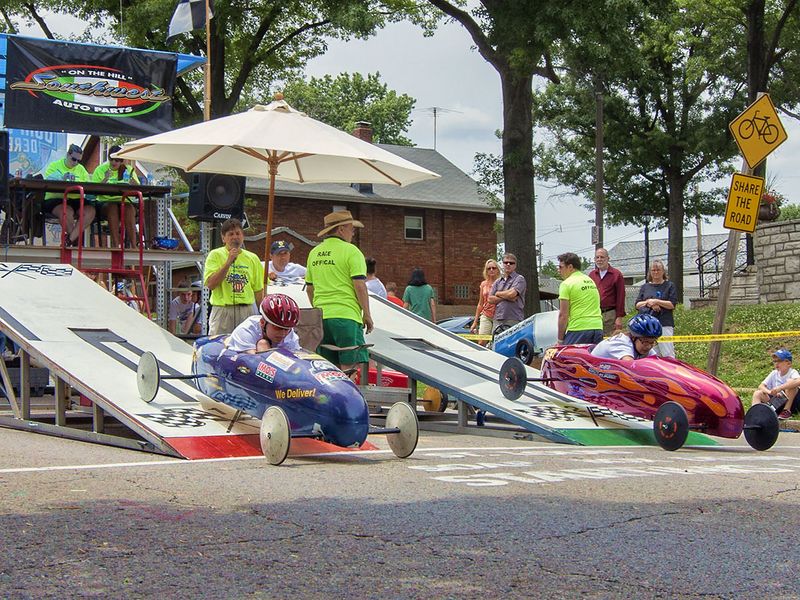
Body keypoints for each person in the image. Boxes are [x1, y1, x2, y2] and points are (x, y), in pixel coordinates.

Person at [305, 210, 373, 373]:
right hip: (346, 316)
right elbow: (360, 285)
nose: (353, 233)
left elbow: (309, 288)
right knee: (349, 368)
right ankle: (347, 398)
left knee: (327, 370)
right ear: (341, 229)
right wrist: (367, 314)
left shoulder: (314, 253)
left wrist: (319, 306)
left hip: (321, 318)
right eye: (351, 228)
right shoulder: (351, 251)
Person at [204, 218, 265, 336]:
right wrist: (228, 262)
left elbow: (258, 290)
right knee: (219, 346)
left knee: (248, 347)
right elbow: (211, 284)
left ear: (243, 236)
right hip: (223, 311)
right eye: (230, 234)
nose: (235, 237)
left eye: (238, 233)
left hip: (247, 311)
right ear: (223, 238)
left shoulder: (253, 258)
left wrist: (262, 314)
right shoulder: (215, 255)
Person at [41, 144, 96, 247]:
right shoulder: (54, 166)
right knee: (66, 211)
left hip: (76, 199)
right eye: (73, 159)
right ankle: (75, 242)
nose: (75, 163)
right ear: (67, 155)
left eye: (78, 161)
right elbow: (49, 182)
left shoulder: (81, 169)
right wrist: (62, 179)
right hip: (57, 199)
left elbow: (88, 186)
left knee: (90, 211)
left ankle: (69, 241)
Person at [91, 145, 139, 249]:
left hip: (124, 201)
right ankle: (115, 245)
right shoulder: (100, 169)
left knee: (129, 209)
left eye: (117, 160)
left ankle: (134, 246)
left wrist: (132, 181)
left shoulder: (128, 169)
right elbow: (93, 190)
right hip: (104, 202)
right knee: (112, 207)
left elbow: (138, 188)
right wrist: (105, 179)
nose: (114, 162)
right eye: (111, 159)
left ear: (121, 161)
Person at [227, 294, 301, 354]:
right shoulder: (246, 330)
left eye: (287, 329)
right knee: (262, 344)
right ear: (262, 322)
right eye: (277, 328)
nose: (283, 333)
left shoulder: (290, 336)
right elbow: (253, 361)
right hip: (234, 360)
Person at [557, 252, 603, 345]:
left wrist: (560, 340)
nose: (558, 270)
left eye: (561, 267)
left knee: (567, 357)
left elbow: (563, 315)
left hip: (579, 328)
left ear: (570, 267)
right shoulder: (590, 280)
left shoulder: (566, 284)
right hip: (597, 327)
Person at [635, 259, 677, 358]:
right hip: (647, 325)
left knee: (667, 353)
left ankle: (670, 371)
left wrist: (657, 302)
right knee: (649, 352)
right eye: (653, 270)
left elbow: (671, 304)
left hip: (664, 323)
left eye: (658, 270)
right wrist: (649, 302)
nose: (656, 272)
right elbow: (637, 304)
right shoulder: (645, 287)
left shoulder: (669, 286)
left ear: (663, 271)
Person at [752, 349, 800, 420]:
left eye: (780, 361)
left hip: (792, 403)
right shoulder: (774, 373)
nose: (776, 363)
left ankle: (786, 411)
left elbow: (798, 381)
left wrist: (779, 388)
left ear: (788, 363)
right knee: (757, 393)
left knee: (790, 384)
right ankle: (755, 414)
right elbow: (761, 386)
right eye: (775, 361)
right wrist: (770, 392)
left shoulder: (792, 372)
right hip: (777, 402)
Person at [591, 314, 662, 361]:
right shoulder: (621, 343)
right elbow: (631, 365)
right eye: (646, 342)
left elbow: (656, 361)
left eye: (652, 342)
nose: (648, 346)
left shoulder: (640, 343)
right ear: (634, 337)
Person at [588, 247, 626, 335]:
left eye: (602, 257)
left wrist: (619, 317)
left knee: (609, 342)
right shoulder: (592, 275)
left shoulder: (616, 274)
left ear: (608, 259)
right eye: (597, 257)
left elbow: (621, 297)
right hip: (595, 314)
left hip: (610, 314)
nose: (599, 260)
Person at [488, 253, 526, 333]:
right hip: (498, 318)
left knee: (512, 344)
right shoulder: (498, 281)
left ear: (515, 265)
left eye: (511, 263)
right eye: (506, 262)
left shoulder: (519, 279)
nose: (508, 264)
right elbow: (490, 299)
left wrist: (498, 293)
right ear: (503, 264)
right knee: (496, 344)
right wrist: (508, 297)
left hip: (514, 318)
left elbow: (512, 294)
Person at [470, 258, 500, 346]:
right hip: (486, 314)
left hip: (498, 316)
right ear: (486, 271)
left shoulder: (502, 283)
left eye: (493, 268)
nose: (491, 270)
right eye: (489, 268)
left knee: (495, 342)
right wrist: (475, 321)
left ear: (497, 270)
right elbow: (480, 303)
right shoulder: (483, 284)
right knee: (481, 341)